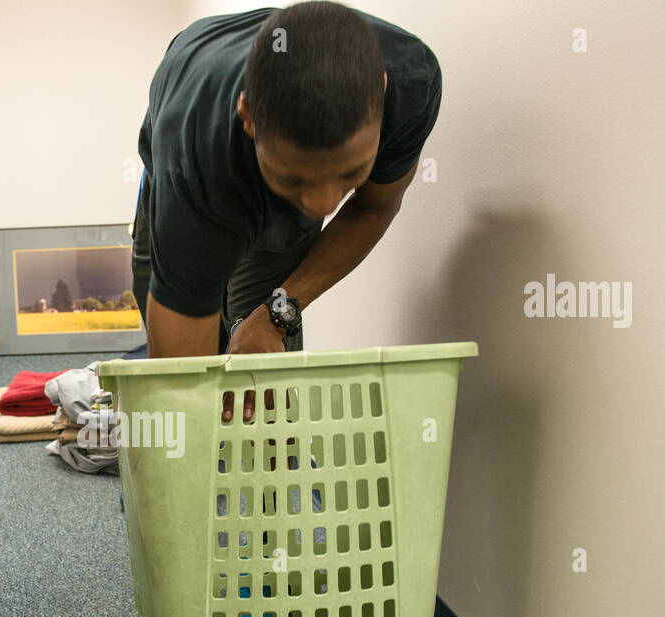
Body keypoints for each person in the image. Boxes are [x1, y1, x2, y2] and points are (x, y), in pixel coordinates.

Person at [132, 2, 442, 378]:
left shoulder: (412, 84)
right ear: (248, 116)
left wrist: (276, 315)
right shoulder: (197, 158)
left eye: (350, 173)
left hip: (248, 146)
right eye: (296, 178)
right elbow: (178, 385)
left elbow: (373, 208)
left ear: (382, 92)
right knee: (172, 318)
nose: (322, 207)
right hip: (195, 139)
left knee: (258, 360)